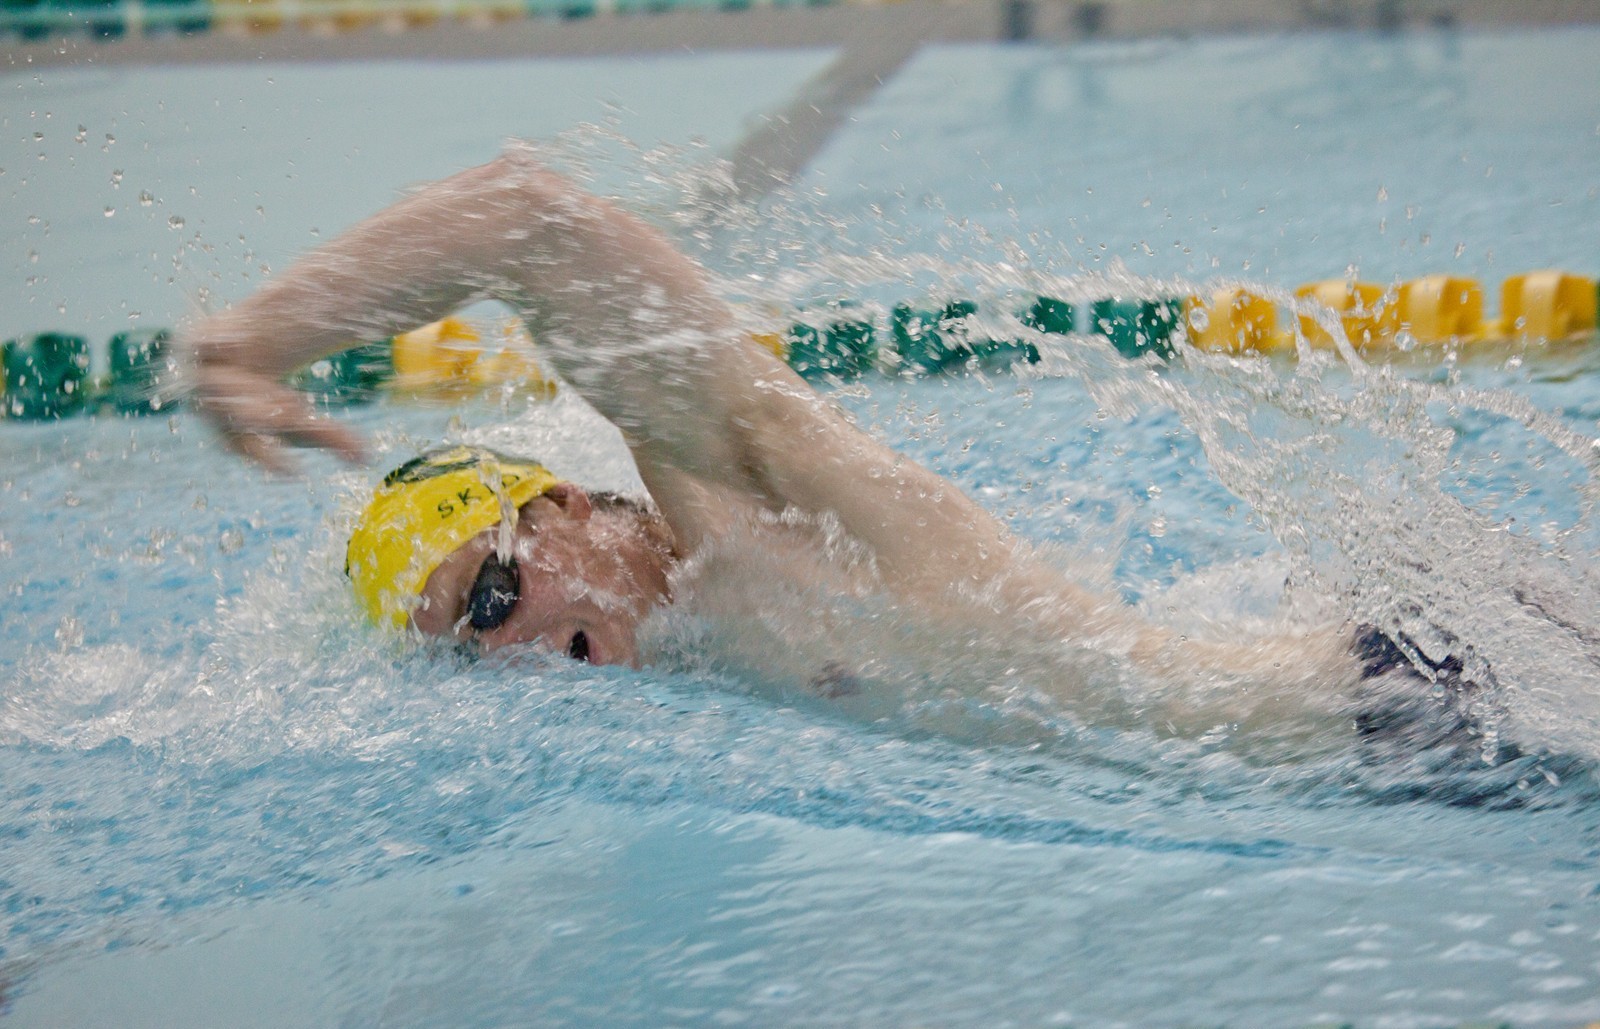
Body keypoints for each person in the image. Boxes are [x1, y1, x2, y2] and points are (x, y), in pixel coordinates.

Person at [189, 147, 1370, 735]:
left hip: (1403, 714)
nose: (511, 650)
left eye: (493, 595)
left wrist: (250, 345)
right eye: (462, 648)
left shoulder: (742, 496)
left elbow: (523, 218)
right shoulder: (710, 659)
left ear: (567, 510)